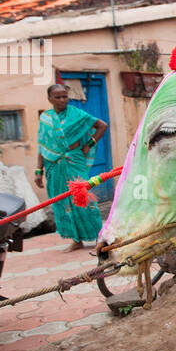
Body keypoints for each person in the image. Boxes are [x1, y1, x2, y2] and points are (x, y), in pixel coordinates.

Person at [34, 83, 108, 251]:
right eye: (57, 97)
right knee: (62, 203)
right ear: (49, 99)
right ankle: (76, 239)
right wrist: (39, 172)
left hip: (74, 161)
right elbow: (42, 147)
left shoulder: (77, 114)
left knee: (83, 198)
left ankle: (99, 237)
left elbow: (102, 126)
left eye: (64, 96)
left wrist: (89, 144)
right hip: (53, 166)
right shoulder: (46, 118)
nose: (62, 100)